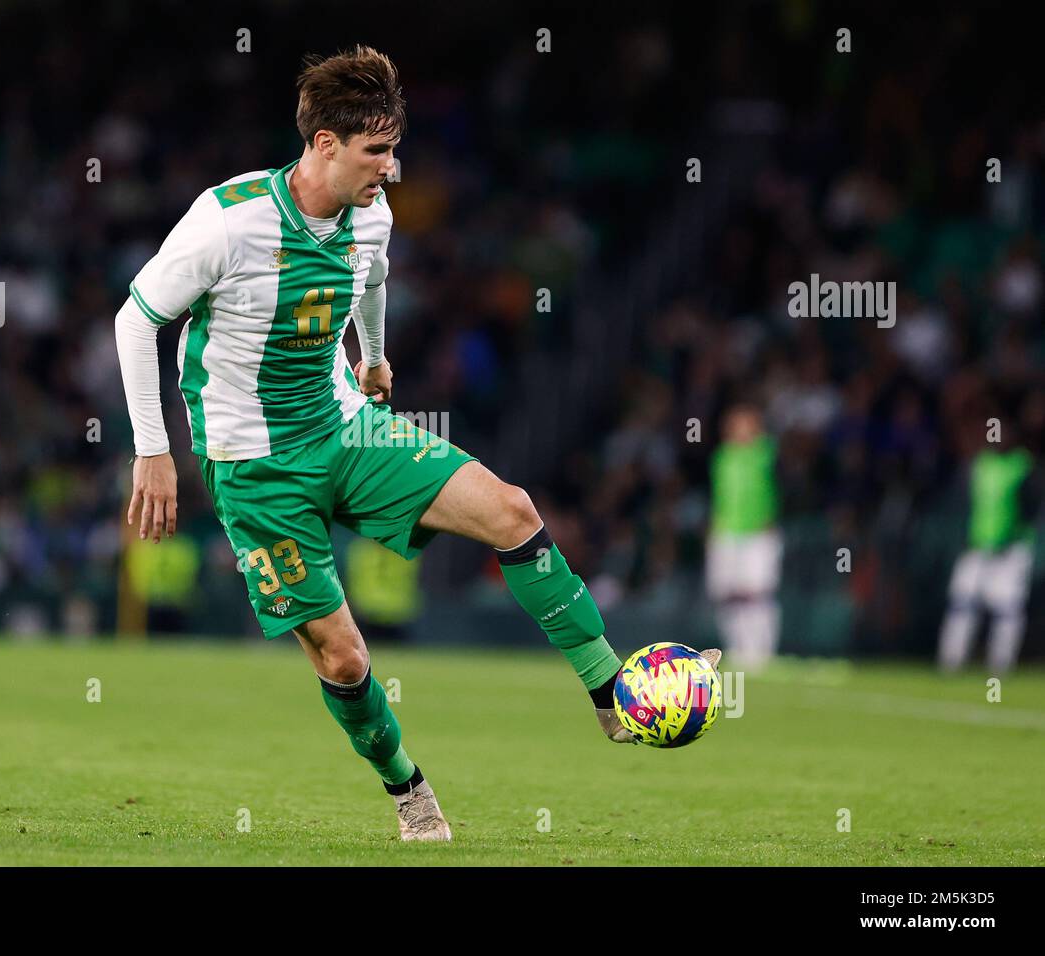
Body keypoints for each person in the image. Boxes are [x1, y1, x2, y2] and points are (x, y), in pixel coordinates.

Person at [115, 45, 718, 841]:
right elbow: (137, 320)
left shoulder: (374, 212)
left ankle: (610, 695)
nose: (390, 168)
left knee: (512, 510)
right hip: (255, 465)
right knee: (344, 661)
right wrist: (153, 450)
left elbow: (372, 281)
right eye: (376, 151)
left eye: (394, 148)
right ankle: (409, 791)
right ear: (324, 144)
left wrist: (372, 354)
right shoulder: (227, 223)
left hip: (345, 427)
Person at [938, 426, 1037, 673]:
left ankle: (1000, 665)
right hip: (977, 546)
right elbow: (963, 505)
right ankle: (951, 662)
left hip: (1010, 550)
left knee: (1007, 610)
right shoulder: (979, 466)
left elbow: (1031, 507)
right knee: (961, 605)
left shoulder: (1022, 466)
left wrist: (1016, 539)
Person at [707, 405, 781, 669]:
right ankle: (737, 648)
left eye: (745, 424)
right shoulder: (722, 458)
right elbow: (720, 497)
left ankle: (762, 651)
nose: (740, 430)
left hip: (759, 533)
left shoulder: (764, 453)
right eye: (734, 424)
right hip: (726, 532)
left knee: (757, 593)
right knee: (728, 593)